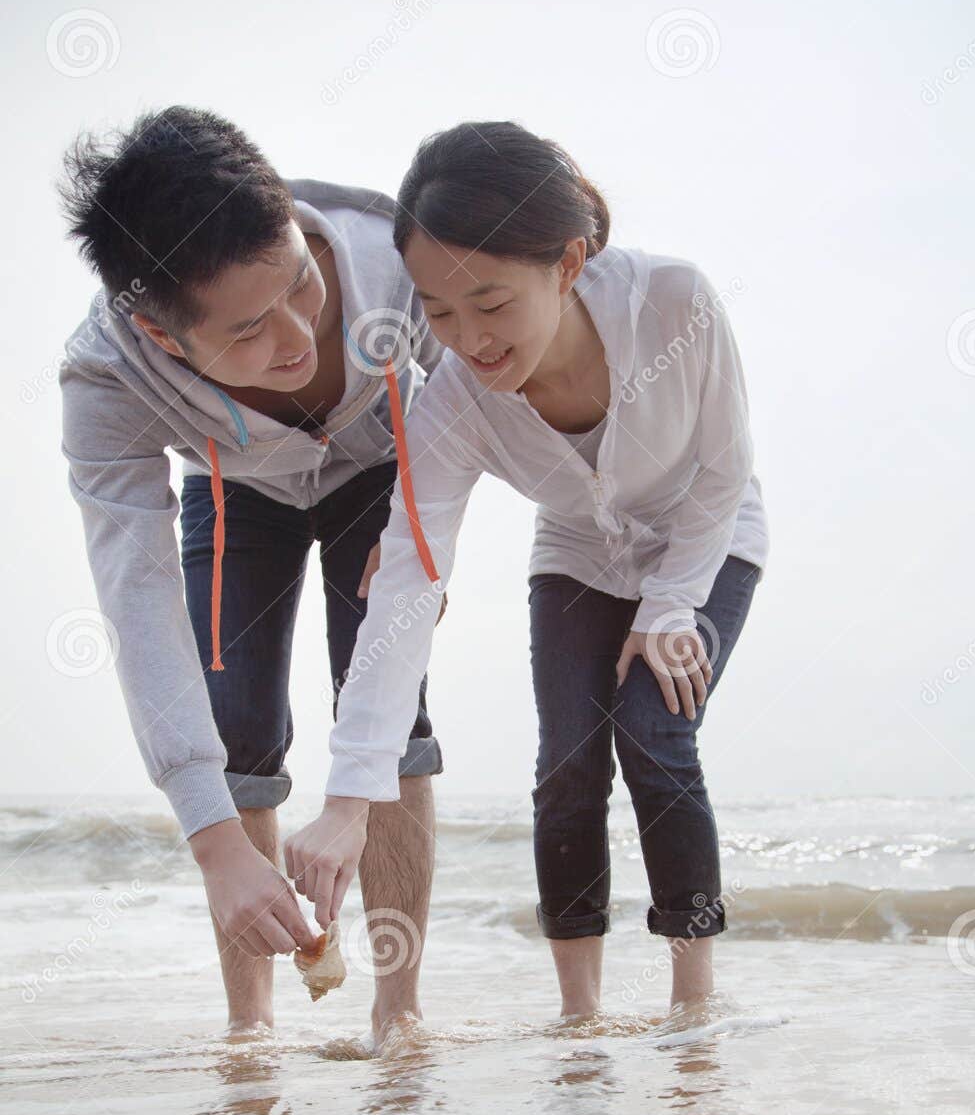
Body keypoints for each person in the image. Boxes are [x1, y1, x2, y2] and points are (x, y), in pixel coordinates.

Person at [286, 121, 769, 1023]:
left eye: (492, 304)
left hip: (706, 538)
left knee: (655, 737)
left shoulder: (675, 302)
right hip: (578, 551)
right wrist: (348, 797)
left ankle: (693, 1009)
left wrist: (668, 605)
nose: (468, 338)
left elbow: (721, 467)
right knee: (569, 764)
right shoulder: (452, 404)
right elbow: (406, 584)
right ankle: (579, 1016)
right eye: (436, 309)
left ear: (568, 262)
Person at [57, 106, 446, 1040]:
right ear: (161, 337)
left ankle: (399, 1015)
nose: (296, 340)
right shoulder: (104, 379)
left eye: (300, 288)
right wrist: (214, 845)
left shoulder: (404, 265)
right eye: (246, 332)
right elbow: (138, 603)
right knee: (231, 739)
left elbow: (482, 416)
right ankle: (252, 1033)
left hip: (377, 469)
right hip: (235, 494)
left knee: (387, 711)